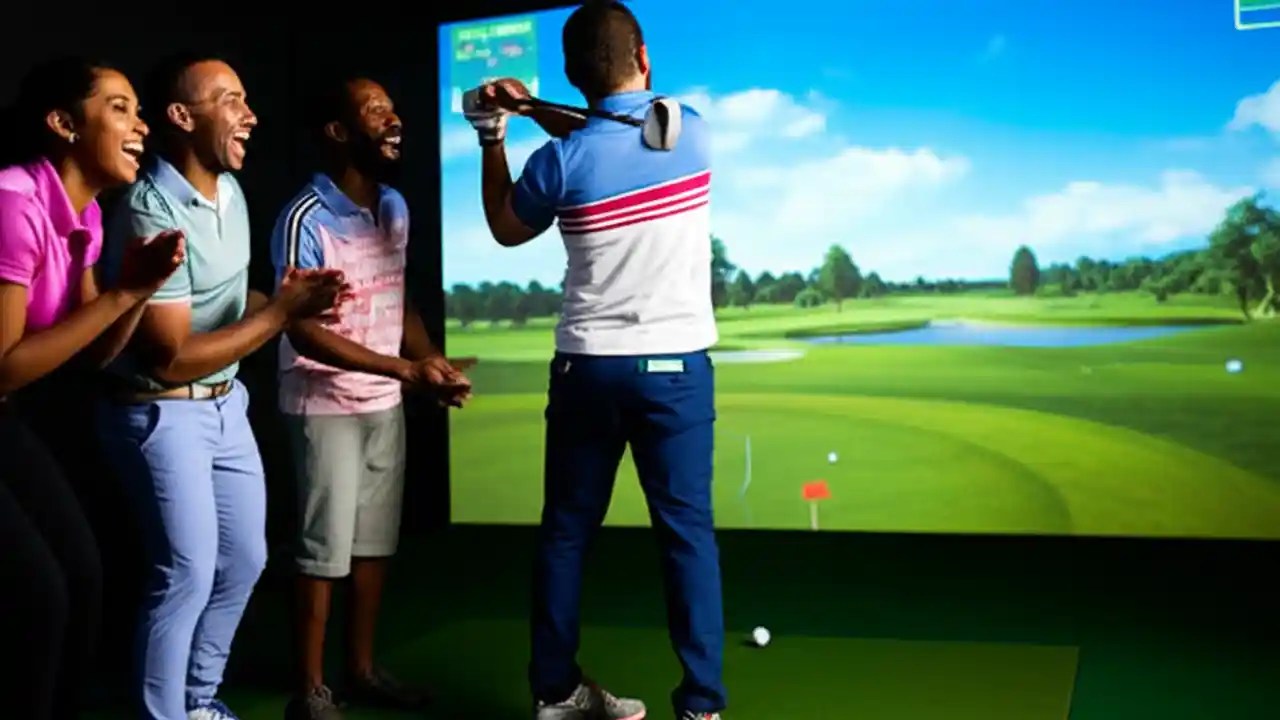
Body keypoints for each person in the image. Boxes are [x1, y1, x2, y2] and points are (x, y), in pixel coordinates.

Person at [464, 2, 726, 719]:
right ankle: (702, 706)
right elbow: (620, 128)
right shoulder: (690, 132)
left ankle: (555, 692)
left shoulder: (560, 161)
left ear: (576, 74)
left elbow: (505, 226)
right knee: (686, 536)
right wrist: (533, 107)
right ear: (643, 52)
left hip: (588, 370)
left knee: (567, 534)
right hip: (674, 371)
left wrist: (496, 132)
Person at [94, 53, 349, 720]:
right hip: (160, 412)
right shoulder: (152, 211)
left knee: (244, 560)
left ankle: (198, 703)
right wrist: (278, 316)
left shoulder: (229, 192)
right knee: (185, 574)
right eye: (230, 99)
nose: (250, 114)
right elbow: (169, 358)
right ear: (182, 116)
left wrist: (291, 299)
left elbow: (235, 300)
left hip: (225, 404)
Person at [271, 74, 471, 720]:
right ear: (337, 132)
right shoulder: (304, 216)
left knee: (373, 547)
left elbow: (397, 296)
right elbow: (297, 329)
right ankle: (313, 688)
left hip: (383, 401)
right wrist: (403, 370)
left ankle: (359, 672)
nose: (394, 120)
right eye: (374, 112)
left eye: (393, 108)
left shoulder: (394, 206)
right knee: (322, 552)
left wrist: (428, 362)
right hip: (322, 405)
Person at [0, 56, 186, 720]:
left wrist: (137, 291)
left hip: (8, 418)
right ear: (63, 124)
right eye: (120, 108)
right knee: (39, 594)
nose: (142, 125)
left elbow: (91, 353)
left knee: (85, 575)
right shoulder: (12, 204)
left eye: (139, 110)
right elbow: (5, 365)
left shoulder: (86, 219)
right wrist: (127, 293)